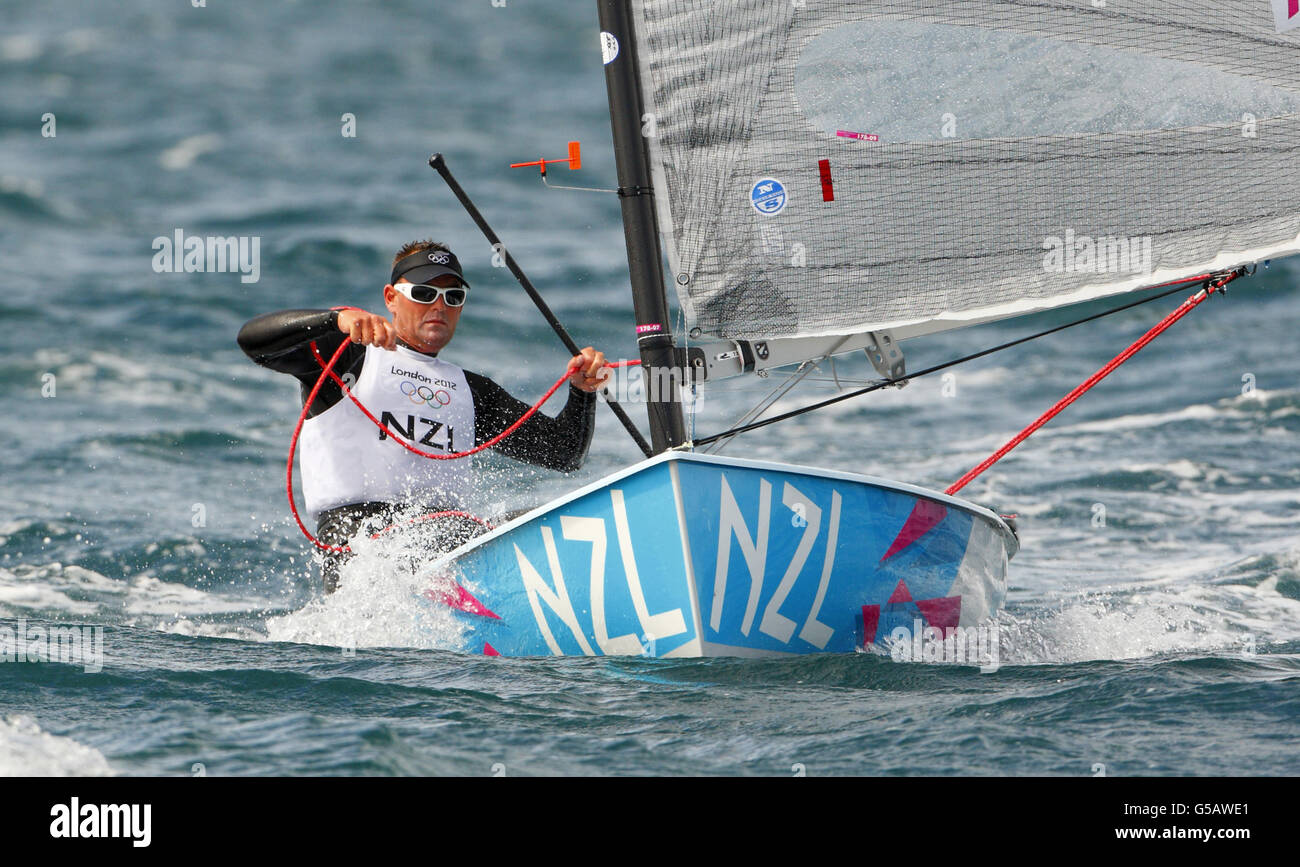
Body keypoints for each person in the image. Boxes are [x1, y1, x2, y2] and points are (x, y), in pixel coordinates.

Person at [237, 239, 609, 591]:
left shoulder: (470, 391)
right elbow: (252, 341)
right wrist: (335, 320)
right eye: (424, 293)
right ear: (391, 298)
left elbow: (565, 454)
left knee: (545, 524)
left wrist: (582, 391)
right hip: (360, 543)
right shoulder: (348, 356)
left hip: (446, 542)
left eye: (453, 297)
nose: (439, 306)